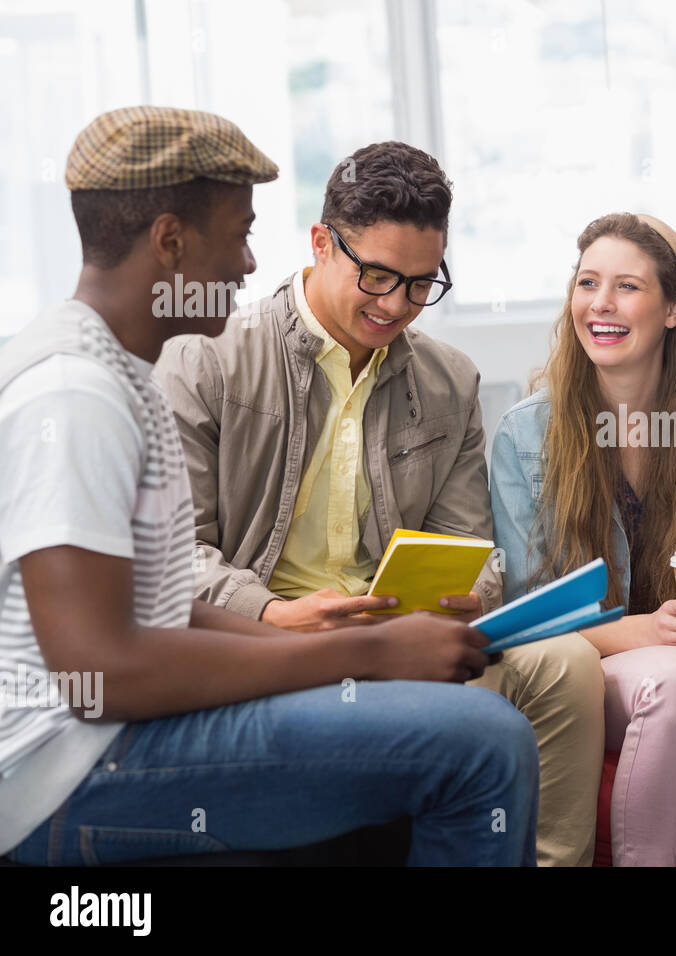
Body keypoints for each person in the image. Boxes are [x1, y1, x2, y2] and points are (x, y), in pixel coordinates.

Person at [0, 106, 536, 867]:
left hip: (97, 748)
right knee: (486, 745)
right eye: (240, 232)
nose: (250, 265)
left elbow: (157, 607)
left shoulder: (119, 375)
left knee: (451, 727)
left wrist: (363, 643)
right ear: (170, 242)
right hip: (66, 774)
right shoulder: (76, 396)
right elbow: (106, 672)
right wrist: (367, 659)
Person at [152, 141, 602, 867]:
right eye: (378, 276)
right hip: (272, 641)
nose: (397, 305)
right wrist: (269, 614)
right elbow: (172, 559)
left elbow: (472, 546)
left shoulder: (449, 379)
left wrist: (462, 596)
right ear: (322, 243)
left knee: (569, 663)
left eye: (423, 284)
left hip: (405, 636)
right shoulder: (206, 361)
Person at [490, 212, 676, 866]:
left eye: (626, 286)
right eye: (587, 282)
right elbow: (517, 618)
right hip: (588, 663)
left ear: (675, 307)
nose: (600, 303)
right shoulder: (524, 436)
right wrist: (637, 634)